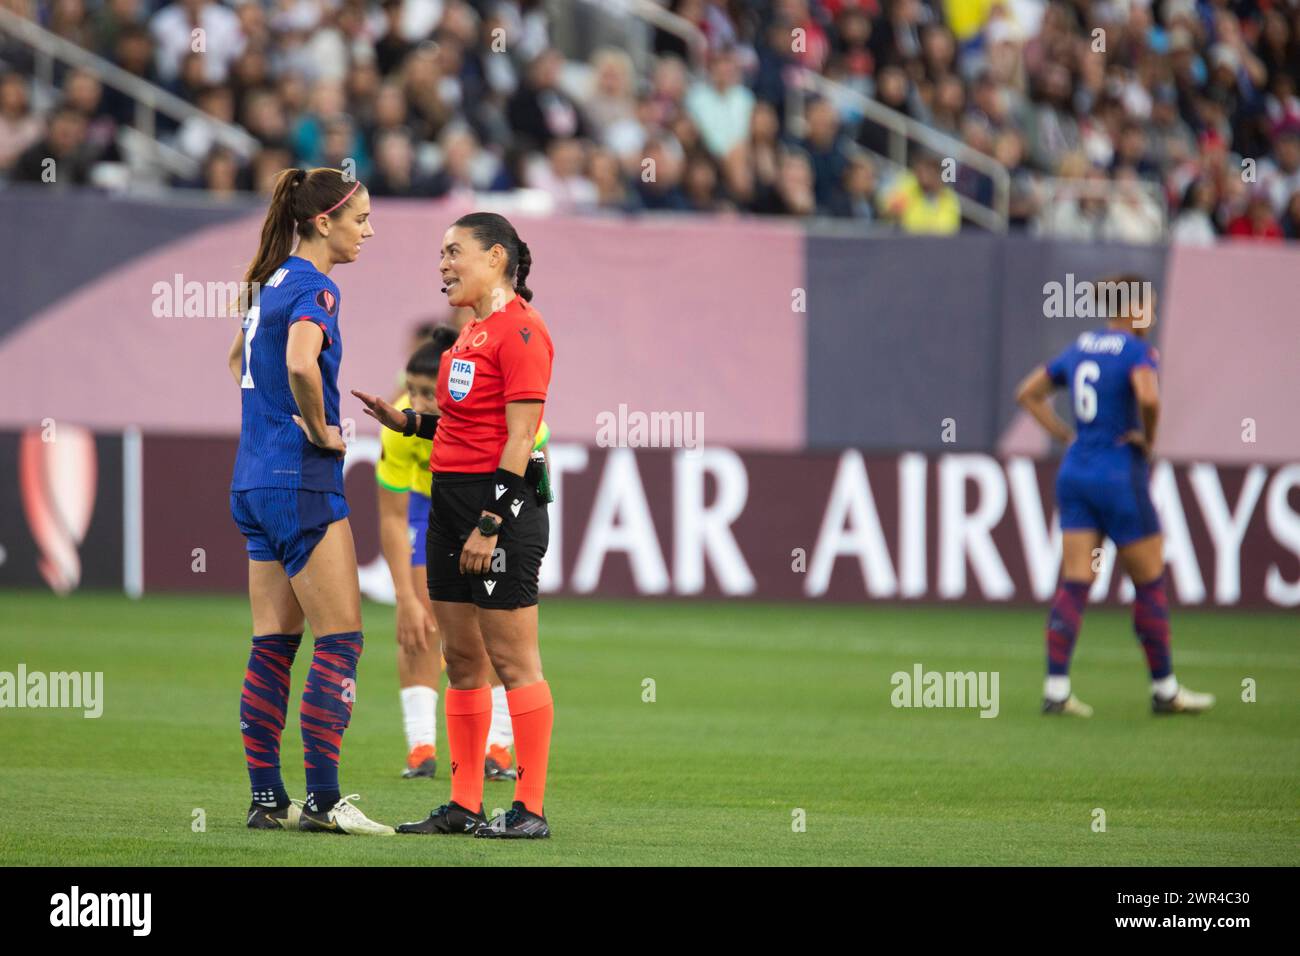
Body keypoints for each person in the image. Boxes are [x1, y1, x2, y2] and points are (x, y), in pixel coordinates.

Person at [354, 211, 555, 839]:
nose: (442, 263)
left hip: (500, 513)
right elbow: (468, 427)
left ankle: (528, 810)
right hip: (448, 509)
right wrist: (409, 424)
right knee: (462, 659)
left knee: (512, 659)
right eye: (441, 253)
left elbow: (519, 438)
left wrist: (491, 522)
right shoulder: (467, 336)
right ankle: (465, 805)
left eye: (453, 251)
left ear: (496, 257)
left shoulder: (522, 332)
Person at [227, 167, 393, 835]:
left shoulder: (266, 285)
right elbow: (300, 362)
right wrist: (322, 428)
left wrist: (273, 417)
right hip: (301, 478)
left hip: (252, 478)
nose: (368, 231)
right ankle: (324, 799)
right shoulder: (317, 288)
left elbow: (239, 356)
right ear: (323, 222)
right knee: (342, 640)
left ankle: (268, 798)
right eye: (360, 220)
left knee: (273, 644)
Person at [1014, 275, 1215, 718]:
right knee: (1148, 583)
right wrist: (1149, 438)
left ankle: (1056, 688)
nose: (1155, 315)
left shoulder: (1080, 347)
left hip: (1076, 474)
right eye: (1150, 306)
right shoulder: (1138, 352)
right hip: (1119, 476)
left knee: (1075, 581)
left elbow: (1027, 394)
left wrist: (1064, 434)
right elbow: (1148, 396)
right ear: (1132, 308)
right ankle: (1164, 690)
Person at [376, 331, 551, 782]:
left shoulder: (502, 414)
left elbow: (534, 482)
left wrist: (502, 529)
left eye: (423, 390)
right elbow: (394, 518)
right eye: (409, 387)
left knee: (493, 630)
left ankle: (497, 745)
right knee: (421, 625)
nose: (413, 398)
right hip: (428, 513)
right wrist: (404, 599)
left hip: (491, 509)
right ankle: (421, 747)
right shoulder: (400, 425)